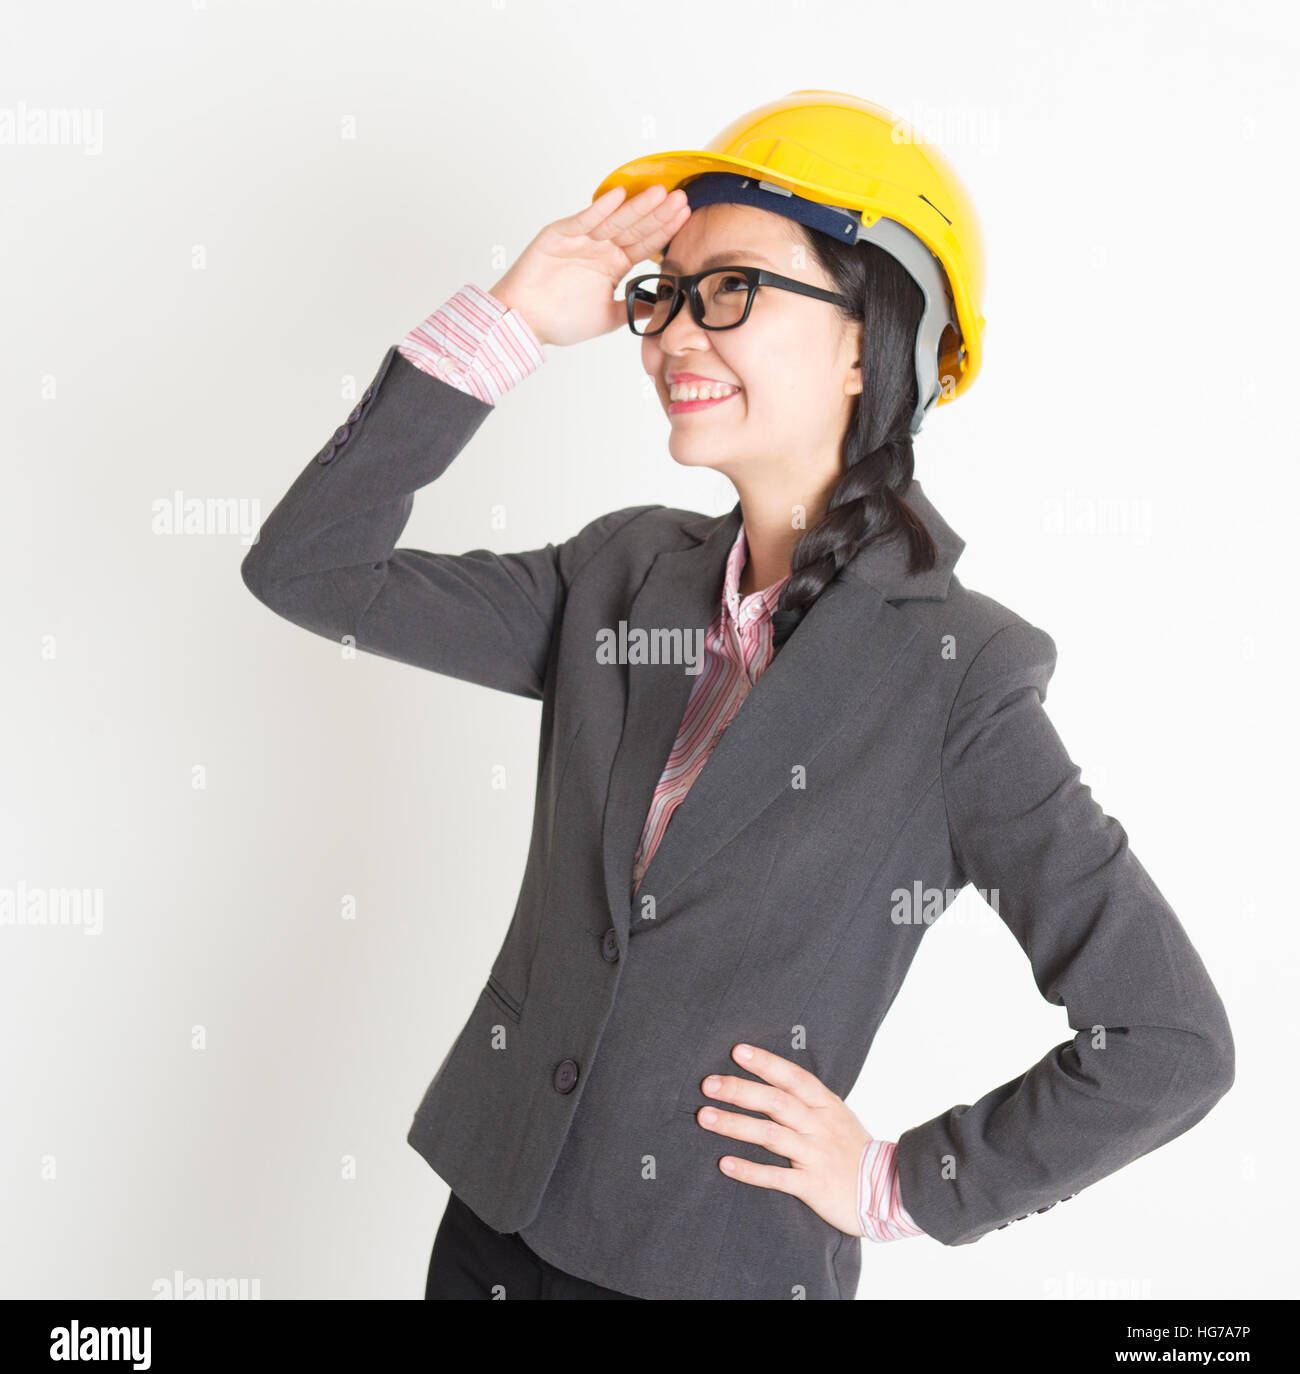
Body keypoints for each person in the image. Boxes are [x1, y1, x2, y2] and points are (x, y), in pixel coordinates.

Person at [241, 92, 1235, 1300]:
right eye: (664, 294)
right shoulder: (618, 573)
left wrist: (900, 1181)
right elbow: (311, 568)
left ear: (870, 339)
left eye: (731, 290)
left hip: (711, 1268)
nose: (668, 338)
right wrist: (505, 323)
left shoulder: (959, 680)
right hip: (492, 1227)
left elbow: (1168, 1040)